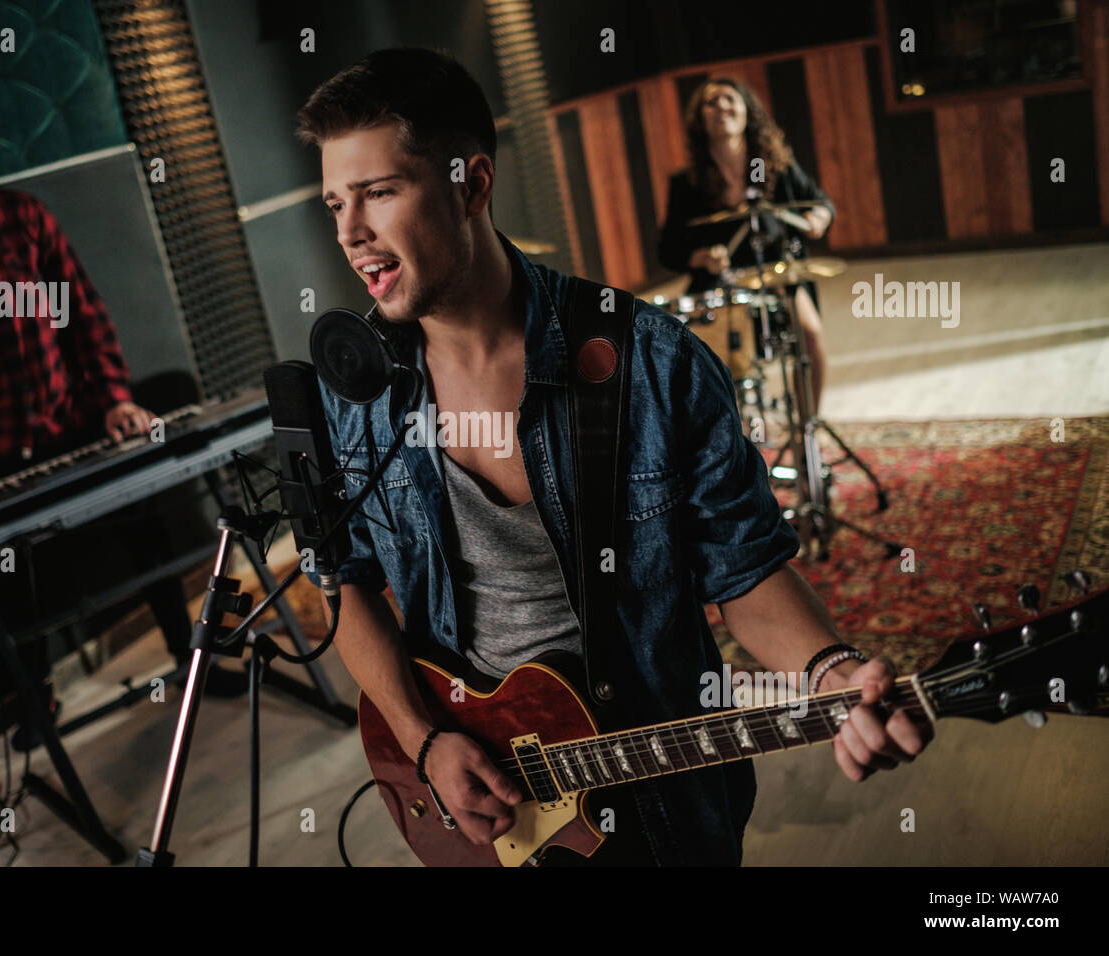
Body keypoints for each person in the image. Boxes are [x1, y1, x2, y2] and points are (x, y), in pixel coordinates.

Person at [296, 49, 931, 865]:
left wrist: (831, 672)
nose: (352, 235)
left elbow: (745, 570)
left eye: (380, 193)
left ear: (471, 184)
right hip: (476, 790)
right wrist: (423, 744)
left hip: (659, 791)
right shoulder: (358, 395)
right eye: (335, 204)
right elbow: (341, 580)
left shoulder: (650, 365)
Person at [0, 94, 246, 741]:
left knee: (147, 533)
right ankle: (37, 700)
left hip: (74, 422)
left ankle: (190, 664)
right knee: (12, 580)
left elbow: (86, 314)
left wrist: (115, 399)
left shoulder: (25, 216)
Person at [658, 77, 833, 410]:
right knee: (698, 352)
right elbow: (667, 249)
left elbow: (821, 203)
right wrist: (701, 257)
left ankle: (808, 428)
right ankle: (725, 434)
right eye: (711, 102)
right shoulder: (686, 182)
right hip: (718, 280)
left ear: (746, 111)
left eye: (729, 99)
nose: (721, 107)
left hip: (775, 270)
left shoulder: (774, 164)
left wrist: (817, 220)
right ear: (700, 120)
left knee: (810, 337)